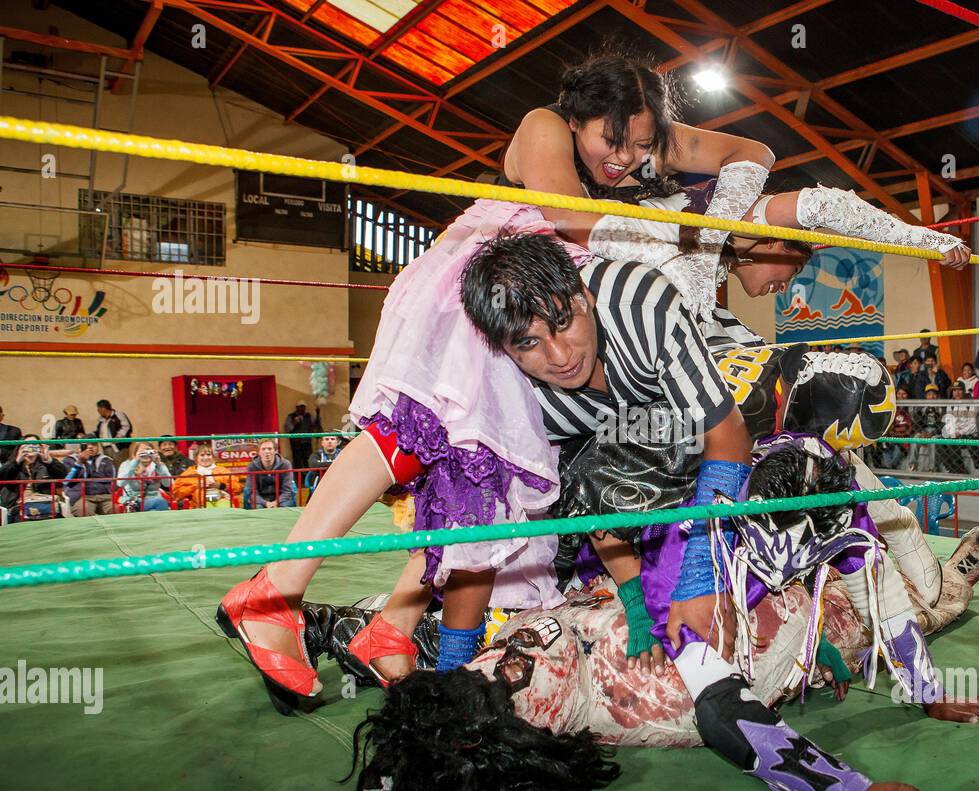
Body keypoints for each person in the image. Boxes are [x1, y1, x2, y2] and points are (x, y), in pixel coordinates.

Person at [216, 49, 782, 706]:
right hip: (490, 285)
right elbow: (572, 219)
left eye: (640, 143)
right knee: (414, 428)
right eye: (611, 139)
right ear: (580, 117)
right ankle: (277, 588)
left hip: (553, 297)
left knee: (482, 469)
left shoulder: (643, 139)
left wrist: (711, 211)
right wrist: (690, 234)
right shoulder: (546, 125)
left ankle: (393, 624)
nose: (623, 157)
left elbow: (754, 148)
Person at [325, 435, 979, 791]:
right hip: (805, 621)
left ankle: (929, 585)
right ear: (539, 722)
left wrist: (331, 625)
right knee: (895, 610)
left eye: (494, 667)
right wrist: (849, 788)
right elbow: (727, 715)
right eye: (513, 680)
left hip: (747, 577)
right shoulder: (638, 689)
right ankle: (952, 588)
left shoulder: (534, 653)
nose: (513, 657)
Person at [0, 437, 66, 521]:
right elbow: (2, 476)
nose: (31, 447)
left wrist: (49, 461)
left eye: (34, 444)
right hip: (19, 507)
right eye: (27, 444)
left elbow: (63, 474)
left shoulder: (46, 464)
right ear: (20, 447)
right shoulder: (13, 464)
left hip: (45, 505)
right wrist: (16, 462)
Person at [171, 445, 240, 509]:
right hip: (199, 504)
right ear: (196, 458)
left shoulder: (223, 471)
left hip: (222, 499)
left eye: (208, 454)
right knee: (208, 510)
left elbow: (237, 488)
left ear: (213, 457)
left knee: (224, 507)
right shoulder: (188, 473)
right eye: (202, 455)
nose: (206, 457)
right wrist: (196, 485)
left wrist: (221, 486)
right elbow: (177, 493)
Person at [63, 441, 116, 516]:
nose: (90, 447)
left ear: (98, 446)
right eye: (87, 444)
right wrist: (79, 463)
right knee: (83, 510)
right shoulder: (70, 460)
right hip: (82, 497)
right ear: (81, 447)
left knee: (115, 509)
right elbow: (67, 482)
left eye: (94, 444)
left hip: (104, 497)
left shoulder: (106, 460)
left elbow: (111, 479)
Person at [117, 442, 173, 513]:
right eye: (142, 452)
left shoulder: (157, 465)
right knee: (160, 503)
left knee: (155, 508)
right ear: (135, 453)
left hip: (155, 500)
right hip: (133, 502)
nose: (146, 454)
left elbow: (168, 484)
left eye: (148, 451)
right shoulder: (127, 464)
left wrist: (159, 465)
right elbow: (120, 483)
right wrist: (135, 461)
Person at [242, 439, 296, 509]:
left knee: (285, 507)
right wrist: (265, 503)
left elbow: (288, 490)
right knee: (258, 508)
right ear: (259, 452)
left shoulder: (286, 464)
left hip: (281, 498)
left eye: (270, 449)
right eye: (263, 449)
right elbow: (251, 492)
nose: (267, 452)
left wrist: (276, 502)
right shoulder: (252, 467)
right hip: (261, 499)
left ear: (275, 451)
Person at [284, 401, 320, 474]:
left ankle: (308, 477)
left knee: (308, 460)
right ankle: (298, 478)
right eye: (300, 407)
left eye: (303, 407)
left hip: (307, 442)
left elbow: (316, 424)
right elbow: (287, 429)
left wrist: (318, 413)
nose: (302, 408)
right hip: (296, 443)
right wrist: (294, 422)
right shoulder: (291, 416)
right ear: (297, 408)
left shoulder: (309, 416)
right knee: (297, 461)